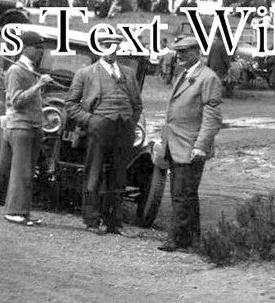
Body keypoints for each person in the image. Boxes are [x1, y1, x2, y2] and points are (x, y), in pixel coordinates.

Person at [64, 36, 143, 235]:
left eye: (115, 47)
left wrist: (131, 123)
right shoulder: (86, 73)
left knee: (119, 174)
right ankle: (92, 220)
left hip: (123, 129)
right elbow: (71, 105)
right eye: (107, 46)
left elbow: (137, 104)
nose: (111, 51)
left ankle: (115, 223)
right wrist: (91, 120)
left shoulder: (129, 73)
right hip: (99, 128)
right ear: (99, 49)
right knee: (94, 172)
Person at [158, 36, 223, 251]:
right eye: (178, 52)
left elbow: (212, 117)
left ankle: (176, 239)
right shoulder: (184, 74)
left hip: (190, 145)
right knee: (186, 193)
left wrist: (200, 146)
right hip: (176, 143)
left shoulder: (208, 77)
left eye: (184, 52)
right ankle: (192, 239)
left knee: (181, 194)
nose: (179, 56)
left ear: (196, 52)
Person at [2, 31, 53, 226]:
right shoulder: (16, 70)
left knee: (28, 172)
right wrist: (39, 85)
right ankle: (14, 211)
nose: (41, 51)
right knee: (20, 172)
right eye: (37, 47)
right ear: (25, 48)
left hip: (32, 127)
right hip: (20, 127)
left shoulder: (30, 69)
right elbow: (16, 101)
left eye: (41, 48)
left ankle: (23, 212)